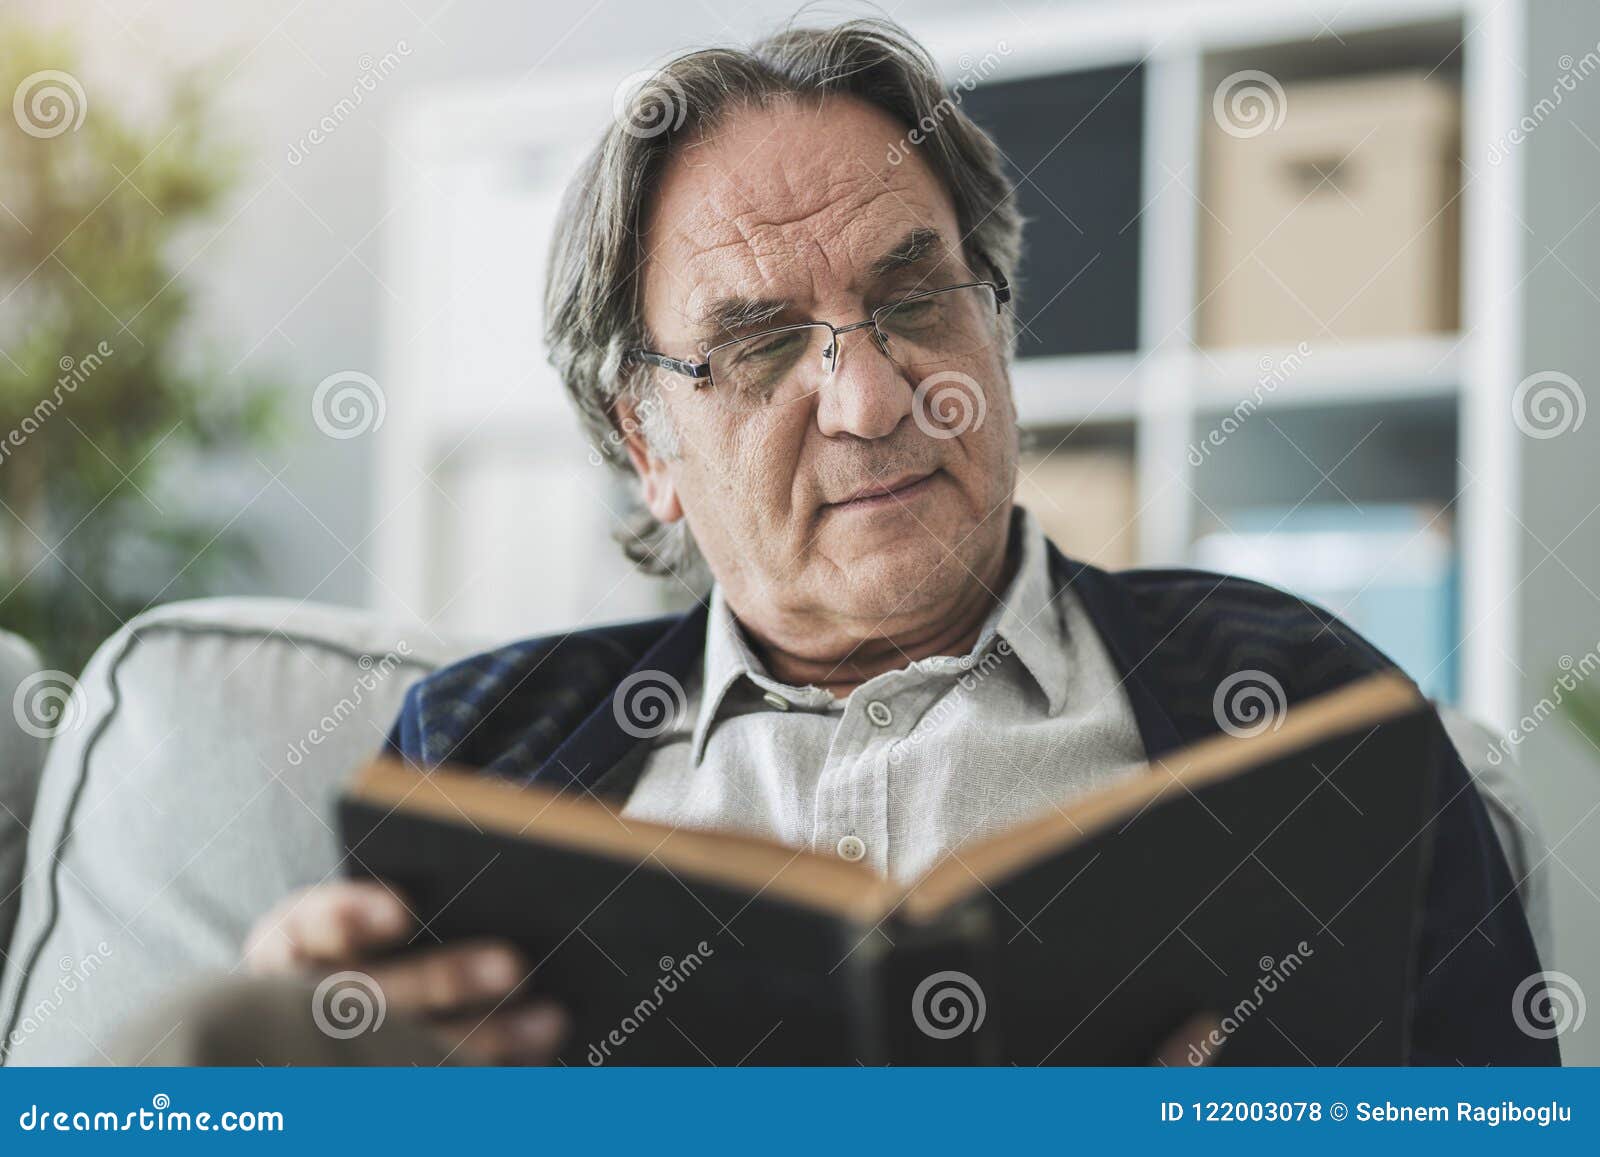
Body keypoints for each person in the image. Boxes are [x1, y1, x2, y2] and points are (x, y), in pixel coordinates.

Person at [233, 18, 1555, 1066]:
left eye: (917, 299)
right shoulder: (475, 762)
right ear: (647, 447)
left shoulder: (1302, 709)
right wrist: (283, 1075)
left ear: (999, 325)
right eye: (758, 347)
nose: (873, 400)